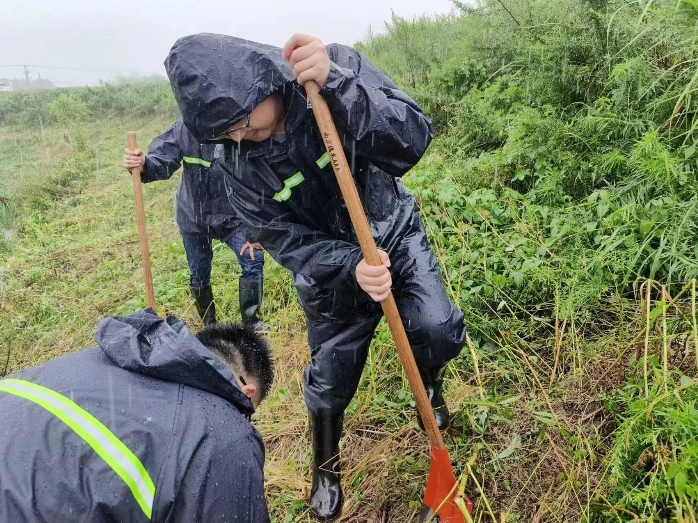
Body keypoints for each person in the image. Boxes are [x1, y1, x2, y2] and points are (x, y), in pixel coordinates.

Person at [165, 33, 467, 521]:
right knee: (331, 378)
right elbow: (283, 239)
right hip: (330, 275)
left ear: (261, 85)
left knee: (437, 329)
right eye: (225, 132)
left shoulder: (332, 73)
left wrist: (340, 86)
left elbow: (412, 140)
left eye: (242, 121)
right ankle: (326, 466)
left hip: (393, 231)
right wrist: (349, 266)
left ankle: (427, 384)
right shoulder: (235, 161)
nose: (238, 136)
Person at [0, 308, 274, 523]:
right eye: (246, 412)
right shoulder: (224, 435)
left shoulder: (103, 357)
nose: (240, 419)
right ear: (247, 391)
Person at [122, 122, 269, 331]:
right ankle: (210, 326)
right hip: (193, 216)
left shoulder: (239, 124)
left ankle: (252, 324)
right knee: (199, 272)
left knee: (253, 261)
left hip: (233, 217)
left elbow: (258, 176)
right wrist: (144, 163)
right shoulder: (185, 127)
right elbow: (161, 161)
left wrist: (258, 225)